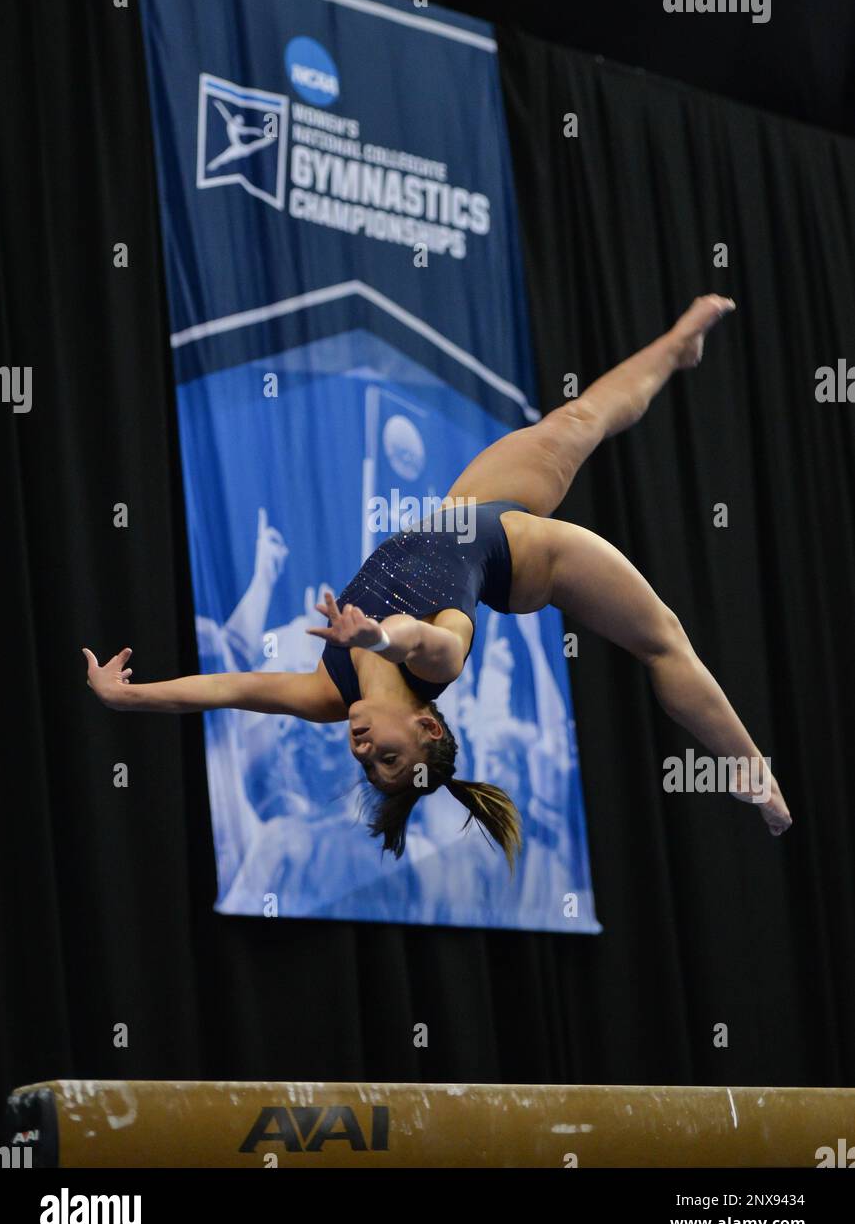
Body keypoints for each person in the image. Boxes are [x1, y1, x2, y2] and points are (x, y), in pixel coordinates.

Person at [83, 295, 793, 869]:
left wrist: (127, 697)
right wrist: (380, 637)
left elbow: (227, 690)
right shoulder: (437, 663)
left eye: (368, 763)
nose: (363, 749)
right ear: (426, 725)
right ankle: (751, 768)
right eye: (389, 755)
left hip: (461, 514)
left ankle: (676, 345)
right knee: (662, 639)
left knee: (577, 418)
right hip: (524, 556)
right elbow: (427, 638)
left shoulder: (329, 694)